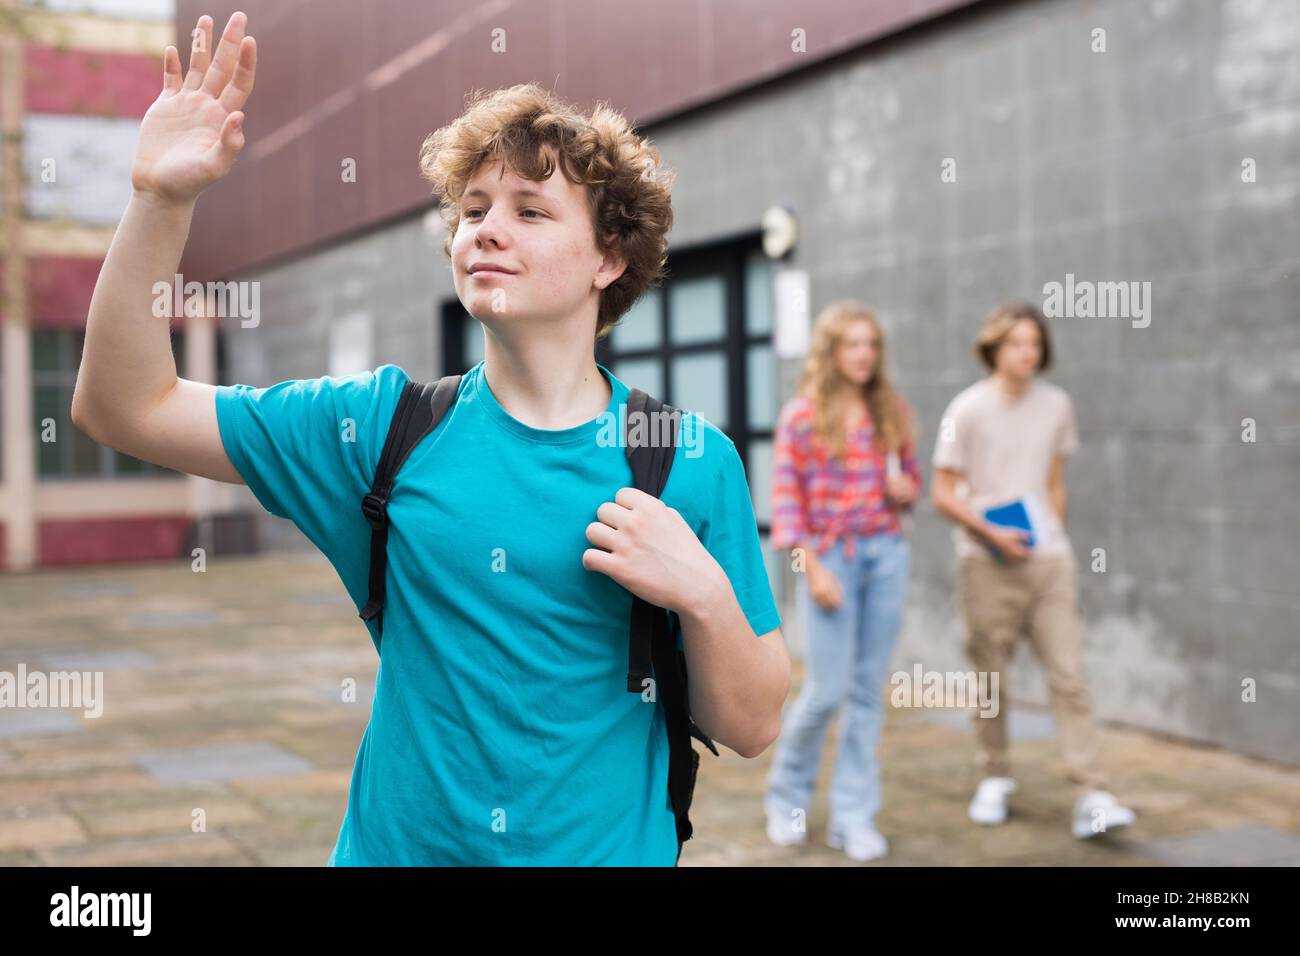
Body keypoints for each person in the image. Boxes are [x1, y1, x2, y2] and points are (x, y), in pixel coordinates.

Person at [71, 11, 789, 865]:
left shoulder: (685, 459)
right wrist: (161, 200)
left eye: (531, 211)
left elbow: (749, 727)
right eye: (474, 208)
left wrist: (701, 593)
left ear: (608, 259)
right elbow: (124, 406)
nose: (486, 228)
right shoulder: (378, 431)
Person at [931, 302, 1136, 840]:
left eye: (1035, 343)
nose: (1029, 352)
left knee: (1069, 676)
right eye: (1018, 342)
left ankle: (1090, 792)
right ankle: (994, 776)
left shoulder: (1057, 405)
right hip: (985, 563)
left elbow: (1054, 481)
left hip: (1049, 562)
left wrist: (1050, 532)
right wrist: (993, 534)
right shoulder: (967, 409)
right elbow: (942, 493)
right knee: (991, 679)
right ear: (995, 347)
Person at [763, 302, 921, 861]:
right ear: (831, 352)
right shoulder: (802, 417)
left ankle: (854, 816)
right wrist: (812, 568)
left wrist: (906, 492)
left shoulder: (891, 411)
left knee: (866, 695)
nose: (864, 355)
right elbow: (788, 509)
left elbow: (910, 482)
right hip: (829, 557)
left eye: (871, 345)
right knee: (826, 691)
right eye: (853, 344)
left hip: (885, 554)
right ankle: (786, 801)